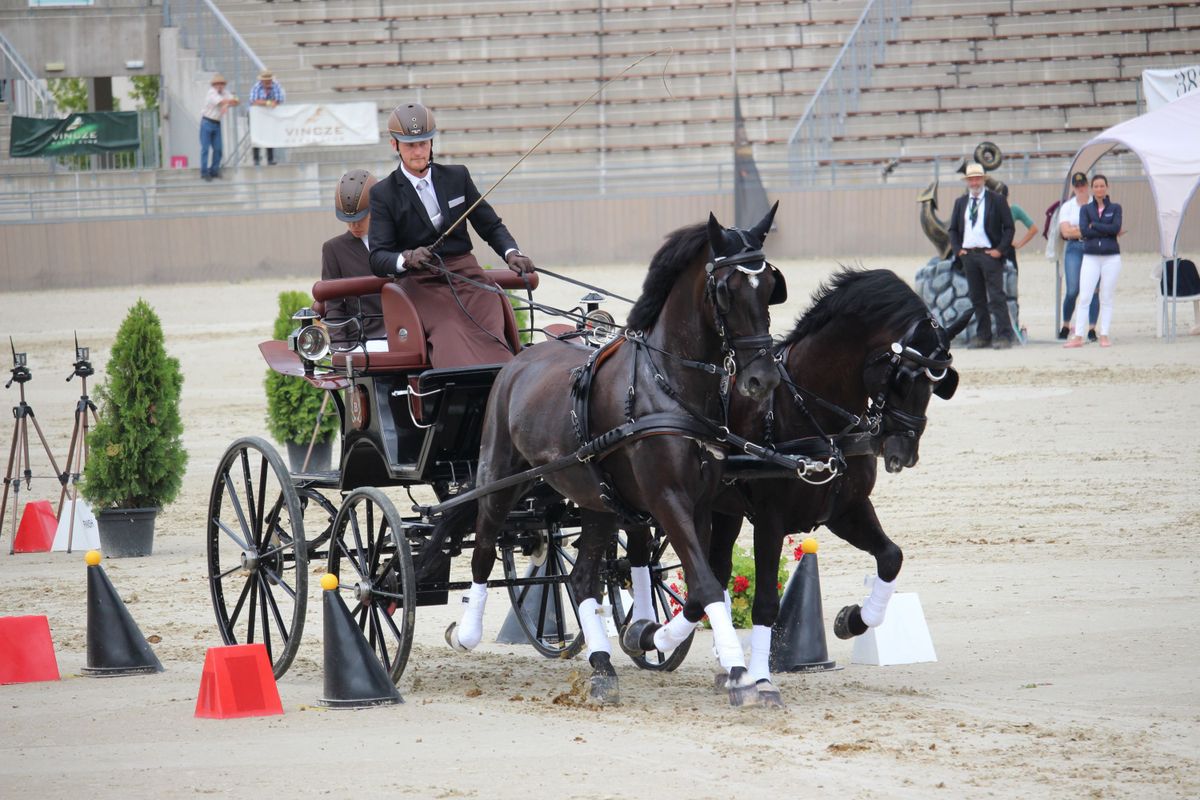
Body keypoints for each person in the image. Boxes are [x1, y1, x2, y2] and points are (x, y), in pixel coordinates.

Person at [367, 101, 536, 368]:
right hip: (420, 282)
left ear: (432, 143)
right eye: (411, 145)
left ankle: (504, 379)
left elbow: (489, 225)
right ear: (394, 146)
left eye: (424, 143)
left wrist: (512, 252)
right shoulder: (383, 194)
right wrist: (407, 257)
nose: (419, 151)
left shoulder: (457, 176)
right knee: (448, 327)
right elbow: (378, 258)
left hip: (466, 274)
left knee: (489, 314)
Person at [947, 163, 1016, 349]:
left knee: (996, 296)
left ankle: (1004, 335)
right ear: (967, 181)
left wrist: (999, 250)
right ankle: (983, 335)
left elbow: (1009, 227)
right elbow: (953, 229)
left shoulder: (997, 200)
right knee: (977, 298)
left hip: (990, 254)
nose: (974, 182)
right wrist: (957, 249)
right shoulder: (960, 202)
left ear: (983, 180)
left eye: (977, 178)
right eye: (971, 179)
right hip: (969, 255)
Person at [321, 169, 387, 346]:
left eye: (361, 218)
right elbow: (334, 306)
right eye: (348, 220)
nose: (354, 226)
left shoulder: (396, 240)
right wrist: (340, 348)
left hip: (404, 332)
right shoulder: (333, 249)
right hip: (362, 339)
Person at [1065, 174, 1122, 349]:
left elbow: (1115, 228)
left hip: (1111, 257)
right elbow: (1084, 231)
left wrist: (1095, 226)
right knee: (1085, 296)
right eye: (1096, 186)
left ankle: (1104, 333)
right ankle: (1078, 336)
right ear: (1092, 188)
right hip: (1090, 256)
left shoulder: (1116, 208)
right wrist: (1103, 229)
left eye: (1101, 186)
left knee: (1106, 296)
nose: (1099, 189)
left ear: (1107, 187)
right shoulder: (1086, 209)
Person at [1056, 171, 1100, 341]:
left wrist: (1078, 229)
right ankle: (1066, 324)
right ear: (1074, 188)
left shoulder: (1095, 204)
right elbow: (1065, 232)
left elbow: (1099, 227)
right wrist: (1087, 228)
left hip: (1092, 246)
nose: (1080, 188)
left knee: (1093, 290)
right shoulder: (1068, 206)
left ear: (1087, 186)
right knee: (1073, 289)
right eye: (1077, 186)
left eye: (1083, 185)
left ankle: (1091, 328)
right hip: (1074, 247)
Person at [199, 74, 239, 181]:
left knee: (218, 149)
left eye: (221, 84)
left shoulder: (224, 92)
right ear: (214, 85)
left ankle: (214, 171)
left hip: (216, 123)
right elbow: (224, 101)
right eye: (217, 84)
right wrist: (227, 103)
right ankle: (204, 172)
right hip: (207, 122)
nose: (220, 86)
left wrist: (227, 103)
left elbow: (237, 101)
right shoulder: (211, 92)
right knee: (205, 149)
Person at [249, 70, 284, 167]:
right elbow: (253, 101)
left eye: (269, 80)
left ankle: (270, 158)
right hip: (257, 115)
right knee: (256, 135)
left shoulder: (275, 86)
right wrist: (268, 103)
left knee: (269, 135)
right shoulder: (257, 86)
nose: (268, 83)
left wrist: (268, 102)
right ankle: (256, 159)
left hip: (268, 115)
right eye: (266, 81)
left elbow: (279, 99)